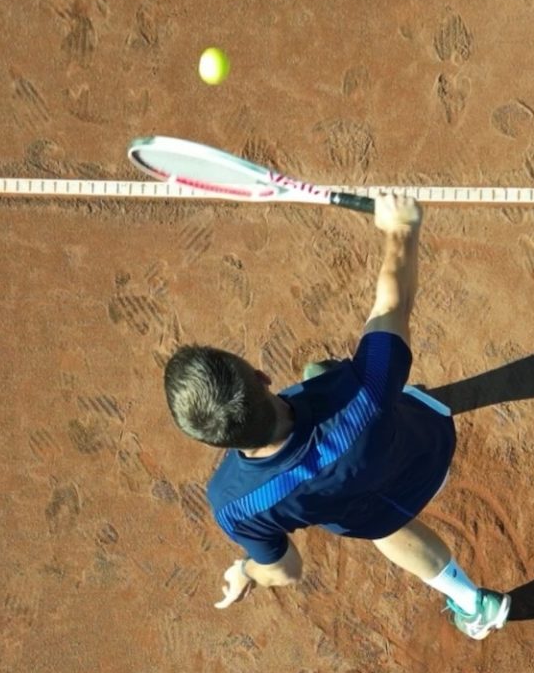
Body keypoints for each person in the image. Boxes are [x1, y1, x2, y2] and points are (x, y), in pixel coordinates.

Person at [161, 193, 511, 640]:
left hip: (367, 510)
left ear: (213, 442)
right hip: (432, 443)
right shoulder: (363, 391)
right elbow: (392, 305)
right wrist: (402, 229)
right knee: (322, 374)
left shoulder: (234, 504)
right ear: (264, 376)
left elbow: (285, 571)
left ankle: (473, 603)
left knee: (384, 528)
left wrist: (248, 571)